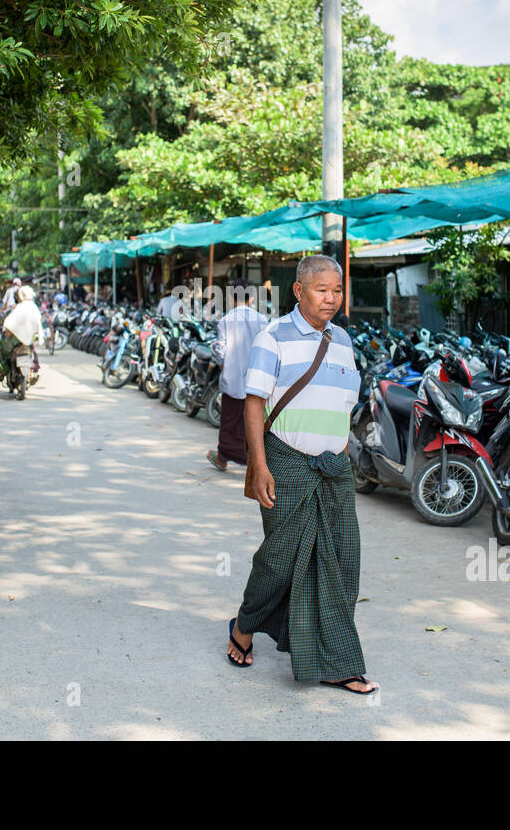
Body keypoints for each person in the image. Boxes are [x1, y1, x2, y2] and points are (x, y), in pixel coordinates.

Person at [225, 255, 376, 695]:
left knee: (343, 559)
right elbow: (254, 403)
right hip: (286, 461)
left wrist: (342, 446)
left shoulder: (344, 339)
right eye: (321, 290)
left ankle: (336, 661)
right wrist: (260, 465)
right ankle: (244, 626)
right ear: (299, 291)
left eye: (337, 291)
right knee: (280, 558)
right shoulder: (272, 338)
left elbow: (345, 401)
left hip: (333, 467)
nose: (330, 299)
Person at [207, 279, 268, 471]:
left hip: (232, 379)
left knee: (230, 421)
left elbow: (220, 351)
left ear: (232, 298)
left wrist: (222, 364)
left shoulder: (226, 320)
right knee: (255, 423)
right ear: (251, 298)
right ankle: (255, 460)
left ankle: (223, 458)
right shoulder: (262, 320)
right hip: (257, 381)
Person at [0, 286, 44, 383]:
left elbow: (9, 323)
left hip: (17, 340)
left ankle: (2, 371)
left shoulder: (21, 307)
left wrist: (7, 330)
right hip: (30, 340)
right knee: (33, 352)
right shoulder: (34, 307)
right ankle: (34, 370)